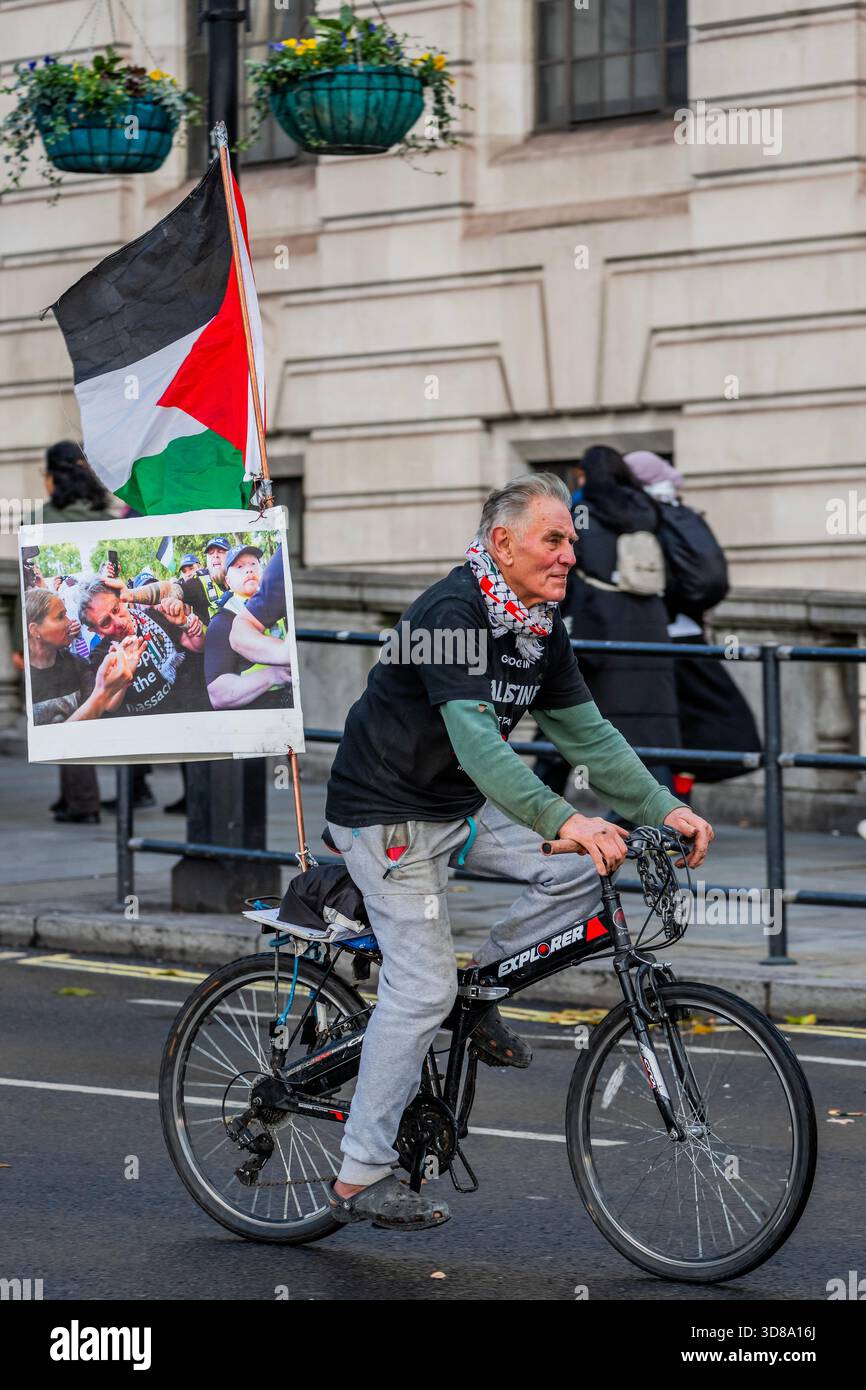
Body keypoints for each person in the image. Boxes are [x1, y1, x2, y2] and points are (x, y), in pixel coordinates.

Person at [323, 472, 713, 1230]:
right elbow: (476, 743)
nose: (571, 554)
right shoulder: (453, 613)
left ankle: (484, 990)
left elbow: (589, 736)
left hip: (458, 809)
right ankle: (358, 1174)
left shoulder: (537, 624)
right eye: (554, 539)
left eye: (572, 540)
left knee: (580, 866)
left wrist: (666, 808)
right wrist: (565, 816)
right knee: (421, 992)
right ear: (502, 543)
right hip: (386, 816)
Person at [535, 446, 682, 815]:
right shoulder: (650, 510)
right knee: (651, 724)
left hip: (598, 628)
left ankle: (533, 809)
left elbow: (566, 572)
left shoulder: (581, 513)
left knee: (567, 716)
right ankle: (662, 816)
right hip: (651, 629)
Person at [624, 450, 761, 792]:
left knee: (664, 726)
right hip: (689, 632)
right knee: (697, 723)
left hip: (657, 633)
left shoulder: (640, 513)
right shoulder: (680, 510)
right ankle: (678, 804)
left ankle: (669, 808)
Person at [14, 442, 116, 821]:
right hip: (88, 647)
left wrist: (18, 642)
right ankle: (72, 797)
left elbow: (25, 595)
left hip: (48, 642)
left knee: (60, 717)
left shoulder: (41, 518)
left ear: (51, 477)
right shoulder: (106, 518)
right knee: (69, 712)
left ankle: (82, 803)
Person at [25, 589, 143, 822]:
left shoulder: (75, 664)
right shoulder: (27, 673)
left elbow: (104, 706)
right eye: (60, 617)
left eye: (67, 615)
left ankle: (82, 803)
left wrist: (123, 675)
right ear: (34, 630)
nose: (70, 623)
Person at [78, 577, 205, 718]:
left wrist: (187, 625)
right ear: (94, 630)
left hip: (187, 711)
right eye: (106, 622)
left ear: (121, 601)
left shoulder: (154, 617)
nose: (119, 622)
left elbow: (197, 647)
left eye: (116, 609)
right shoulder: (102, 657)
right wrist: (124, 674)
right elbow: (110, 706)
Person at [204, 545, 293, 711]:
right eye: (239, 567)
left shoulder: (282, 599)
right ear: (228, 581)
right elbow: (218, 694)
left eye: (253, 564)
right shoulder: (222, 621)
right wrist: (272, 675)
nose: (248, 570)